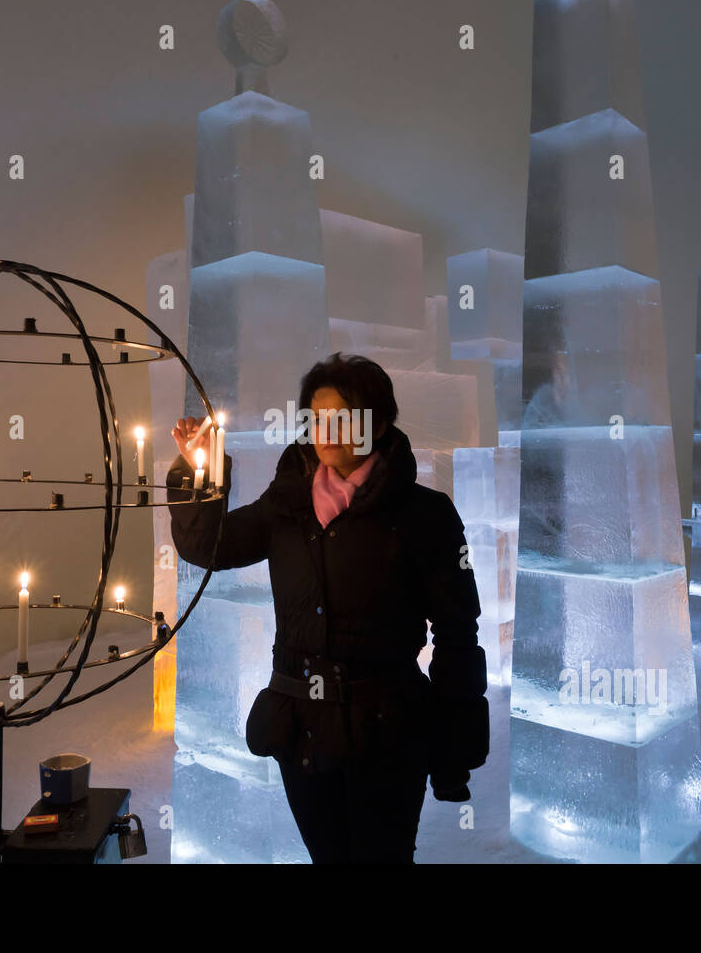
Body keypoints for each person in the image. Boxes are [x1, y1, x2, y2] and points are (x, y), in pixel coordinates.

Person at [166, 352, 488, 863]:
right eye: (316, 417)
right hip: (302, 731)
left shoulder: (426, 515)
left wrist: (457, 749)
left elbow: (457, 634)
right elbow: (211, 548)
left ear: (379, 424)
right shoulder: (286, 502)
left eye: (344, 417)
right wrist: (197, 474)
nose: (327, 429)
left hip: (387, 732)